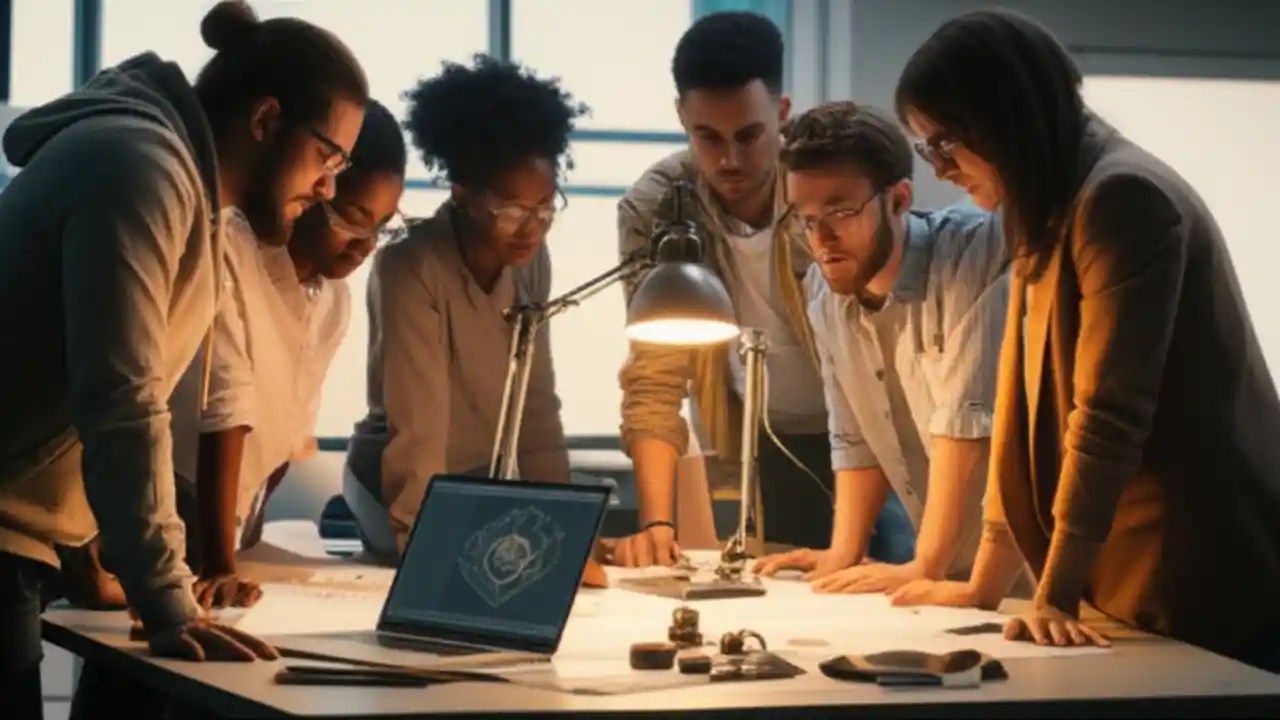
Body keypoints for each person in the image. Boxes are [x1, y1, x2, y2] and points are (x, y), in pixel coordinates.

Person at [0, 0, 367, 714]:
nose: (329, 188)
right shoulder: (138, 169)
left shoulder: (174, 181)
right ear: (265, 121)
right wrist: (168, 599)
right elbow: (122, 399)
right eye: (330, 156)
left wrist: (89, 554)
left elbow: (64, 390)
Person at [889, 10, 1280, 672]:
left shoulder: (1121, 198)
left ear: (1003, 116)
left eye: (943, 143)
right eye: (927, 148)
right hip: (1142, 579)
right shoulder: (1048, 198)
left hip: (1204, 574)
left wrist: (1056, 596)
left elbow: (1107, 418)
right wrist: (987, 584)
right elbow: (1019, 400)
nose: (941, 169)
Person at [614, 11, 916, 567]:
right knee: (795, 587)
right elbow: (653, 380)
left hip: (877, 433)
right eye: (707, 136)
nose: (729, 159)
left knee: (895, 578)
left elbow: (880, 335)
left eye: (749, 135)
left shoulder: (819, 189)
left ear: (781, 113)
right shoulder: (655, 208)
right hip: (768, 444)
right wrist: (657, 523)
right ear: (681, 117)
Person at [751, 102, 1008, 593]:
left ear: (898, 199)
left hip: (1021, 577)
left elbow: (967, 425)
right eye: (805, 220)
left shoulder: (971, 256)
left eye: (840, 212)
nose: (821, 240)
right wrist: (843, 551)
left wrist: (924, 565)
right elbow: (853, 432)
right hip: (939, 577)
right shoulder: (825, 293)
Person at [162, 98, 407, 610]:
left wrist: (243, 541)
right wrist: (219, 563)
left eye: (381, 227)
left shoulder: (332, 300)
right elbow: (224, 410)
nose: (365, 245)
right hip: (169, 499)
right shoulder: (230, 250)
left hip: (231, 531)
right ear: (315, 187)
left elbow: (288, 433)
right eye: (353, 218)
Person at [345, 55, 587, 563]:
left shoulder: (531, 260)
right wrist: (424, 552)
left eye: (545, 208)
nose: (532, 227)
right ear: (462, 192)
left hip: (479, 474)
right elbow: (419, 428)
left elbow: (536, 402)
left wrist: (566, 533)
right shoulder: (409, 266)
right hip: (396, 479)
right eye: (513, 210)